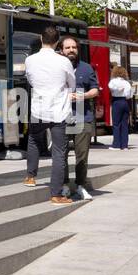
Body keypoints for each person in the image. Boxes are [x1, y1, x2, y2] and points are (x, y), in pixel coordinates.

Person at [23, 26, 76, 204]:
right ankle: (56, 193)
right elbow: (72, 84)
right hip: (58, 110)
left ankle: (30, 176)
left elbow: (30, 80)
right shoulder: (64, 62)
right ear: (58, 42)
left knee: (34, 141)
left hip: (38, 107)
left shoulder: (30, 60)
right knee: (59, 152)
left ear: (40, 38)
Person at [61, 34, 98, 200]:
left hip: (83, 117)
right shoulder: (57, 68)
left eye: (73, 47)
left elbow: (95, 90)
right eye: (67, 47)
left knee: (82, 155)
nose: (71, 50)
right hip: (61, 116)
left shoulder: (86, 68)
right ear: (61, 50)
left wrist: (82, 96)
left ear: (78, 49)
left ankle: (81, 186)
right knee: (60, 154)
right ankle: (64, 185)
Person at [109, 65, 133, 150]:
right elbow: (129, 95)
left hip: (116, 101)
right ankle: (124, 145)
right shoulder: (127, 83)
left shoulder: (113, 81)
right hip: (125, 102)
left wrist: (117, 90)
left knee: (116, 124)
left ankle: (116, 145)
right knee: (124, 124)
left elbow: (110, 87)